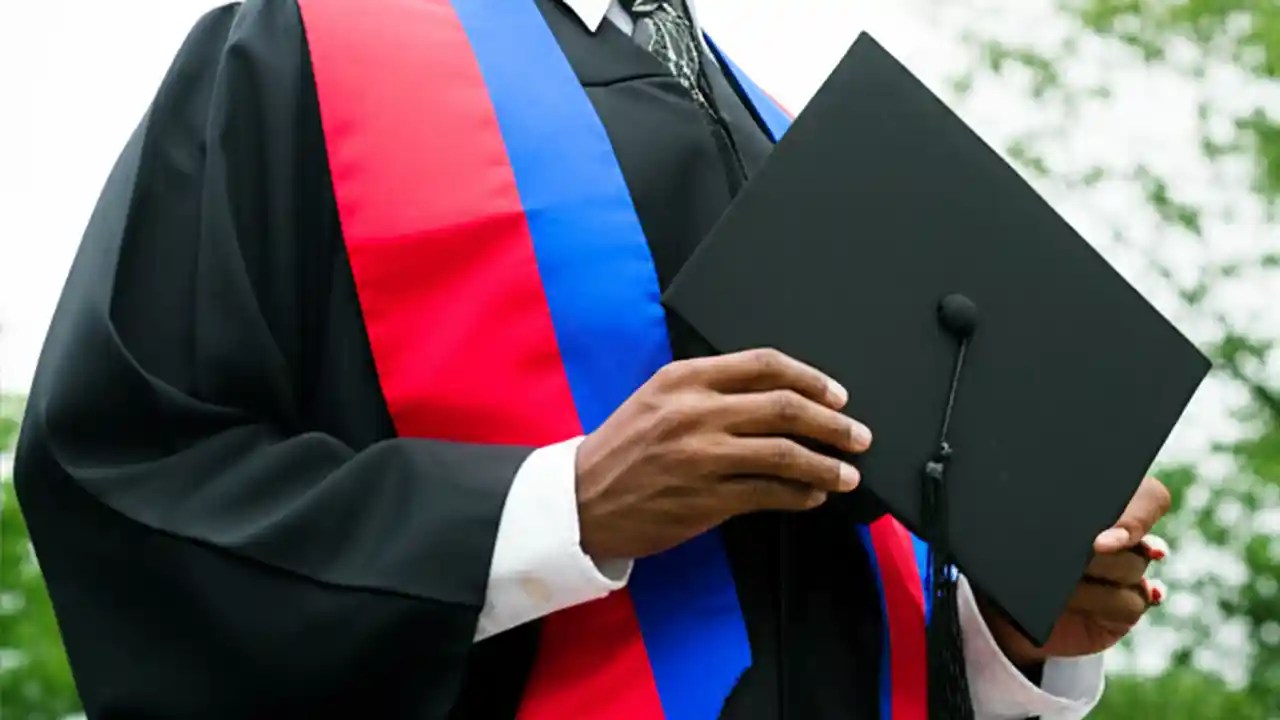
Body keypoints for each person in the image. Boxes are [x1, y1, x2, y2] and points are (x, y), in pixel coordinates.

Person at [14, 0, 1172, 717]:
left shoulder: (800, 145)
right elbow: (134, 482)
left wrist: (1010, 640)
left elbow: (826, 595)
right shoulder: (303, 52)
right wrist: (556, 509)